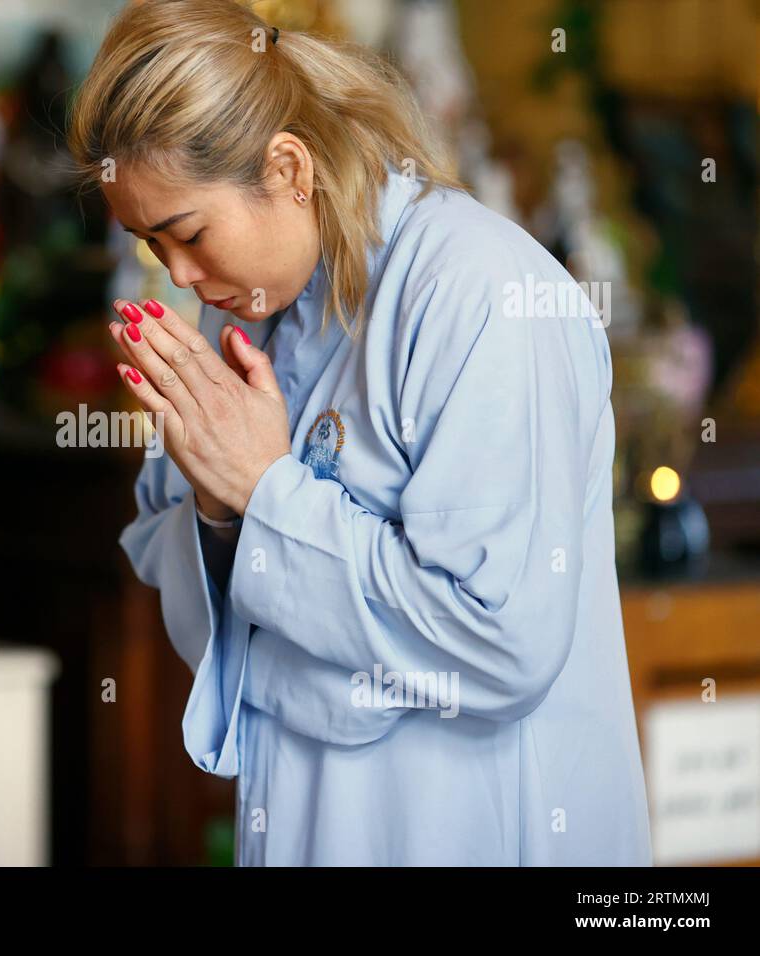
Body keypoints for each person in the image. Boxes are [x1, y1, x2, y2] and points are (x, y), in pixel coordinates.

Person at [68, 0, 652, 865]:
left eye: (187, 233)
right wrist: (222, 511)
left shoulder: (480, 294)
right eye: (149, 242)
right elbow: (178, 567)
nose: (179, 274)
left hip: (472, 819)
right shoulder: (248, 310)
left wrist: (267, 493)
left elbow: (502, 646)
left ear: (289, 168)